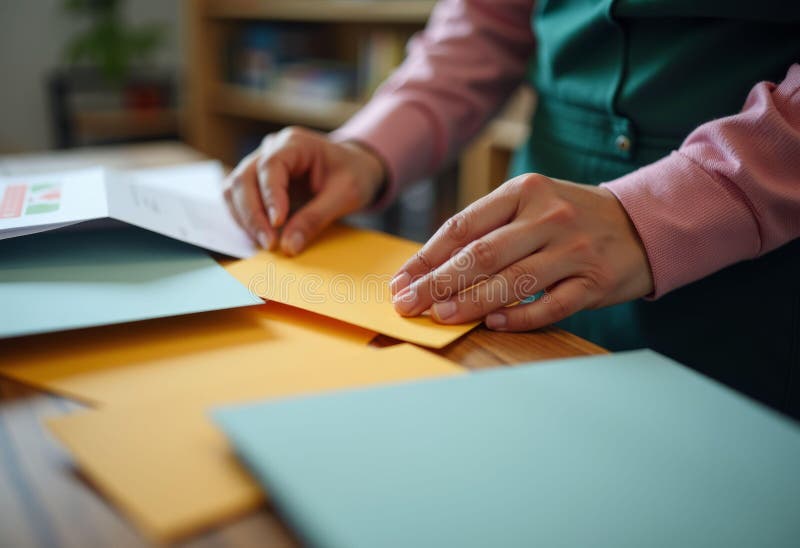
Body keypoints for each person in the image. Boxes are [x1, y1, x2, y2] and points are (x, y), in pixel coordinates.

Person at [224, 0, 800, 417]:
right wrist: (364, 148)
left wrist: (669, 208)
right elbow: (482, 24)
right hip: (524, 280)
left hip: (759, 289)